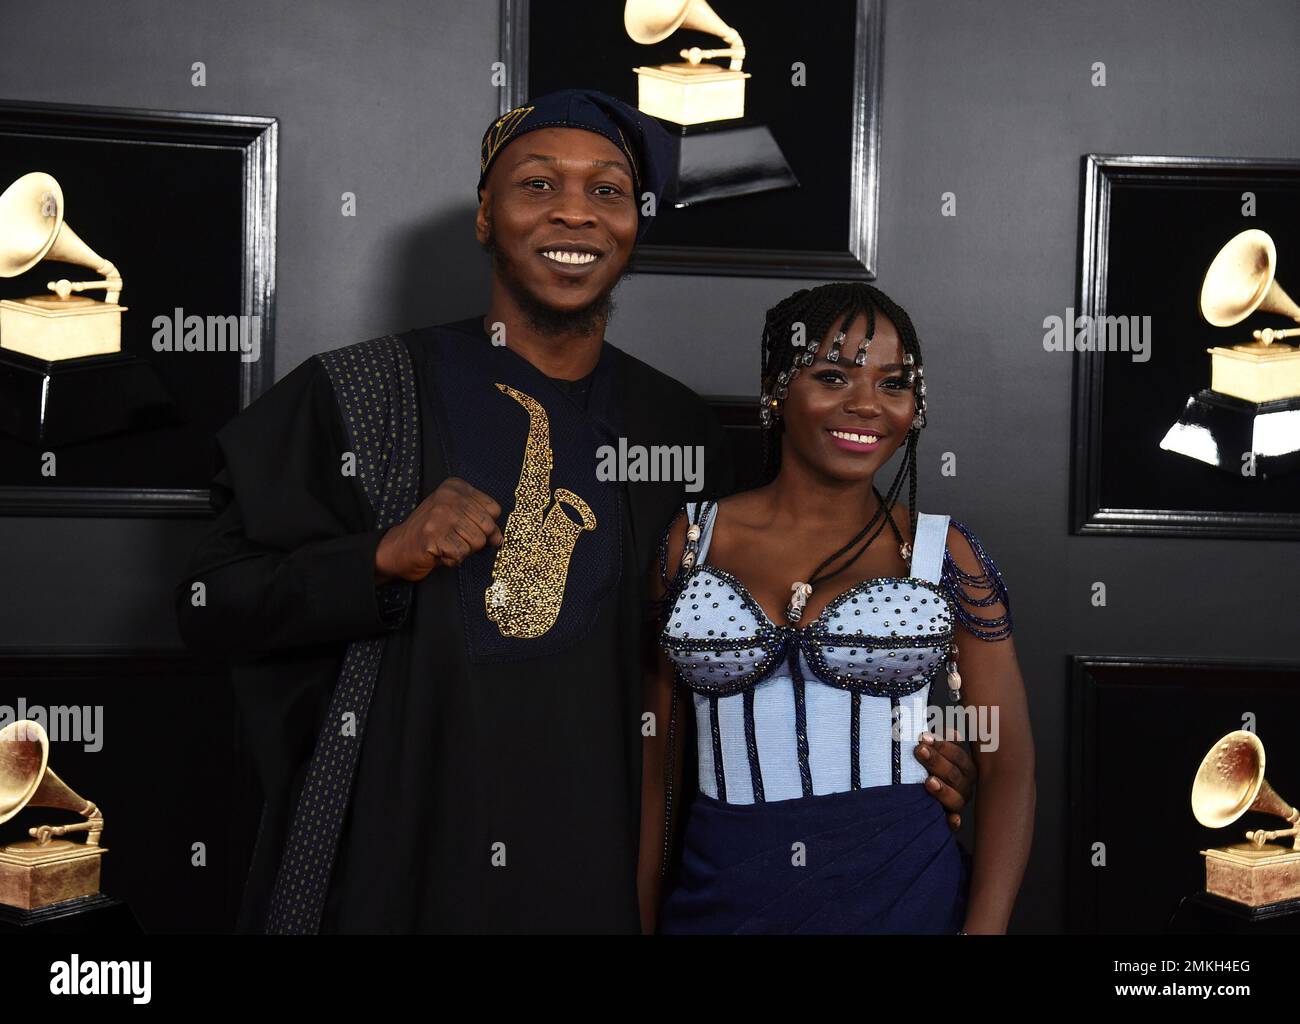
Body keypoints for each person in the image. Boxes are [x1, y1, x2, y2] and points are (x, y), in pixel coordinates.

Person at [176, 88, 976, 934]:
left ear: (635, 223)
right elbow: (209, 604)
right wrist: (380, 557)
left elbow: (756, 648)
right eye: (537, 185)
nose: (575, 213)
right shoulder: (365, 394)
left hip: (604, 873)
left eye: (607, 191)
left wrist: (908, 761)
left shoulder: (680, 429)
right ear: (486, 215)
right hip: (407, 861)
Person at [640, 282, 1035, 934]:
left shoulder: (943, 551)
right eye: (833, 375)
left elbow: (1011, 766)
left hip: (903, 893)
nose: (866, 406)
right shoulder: (693, 540)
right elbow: (659, 764)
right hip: (724, 894)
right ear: (776, 391)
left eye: (894, 384)